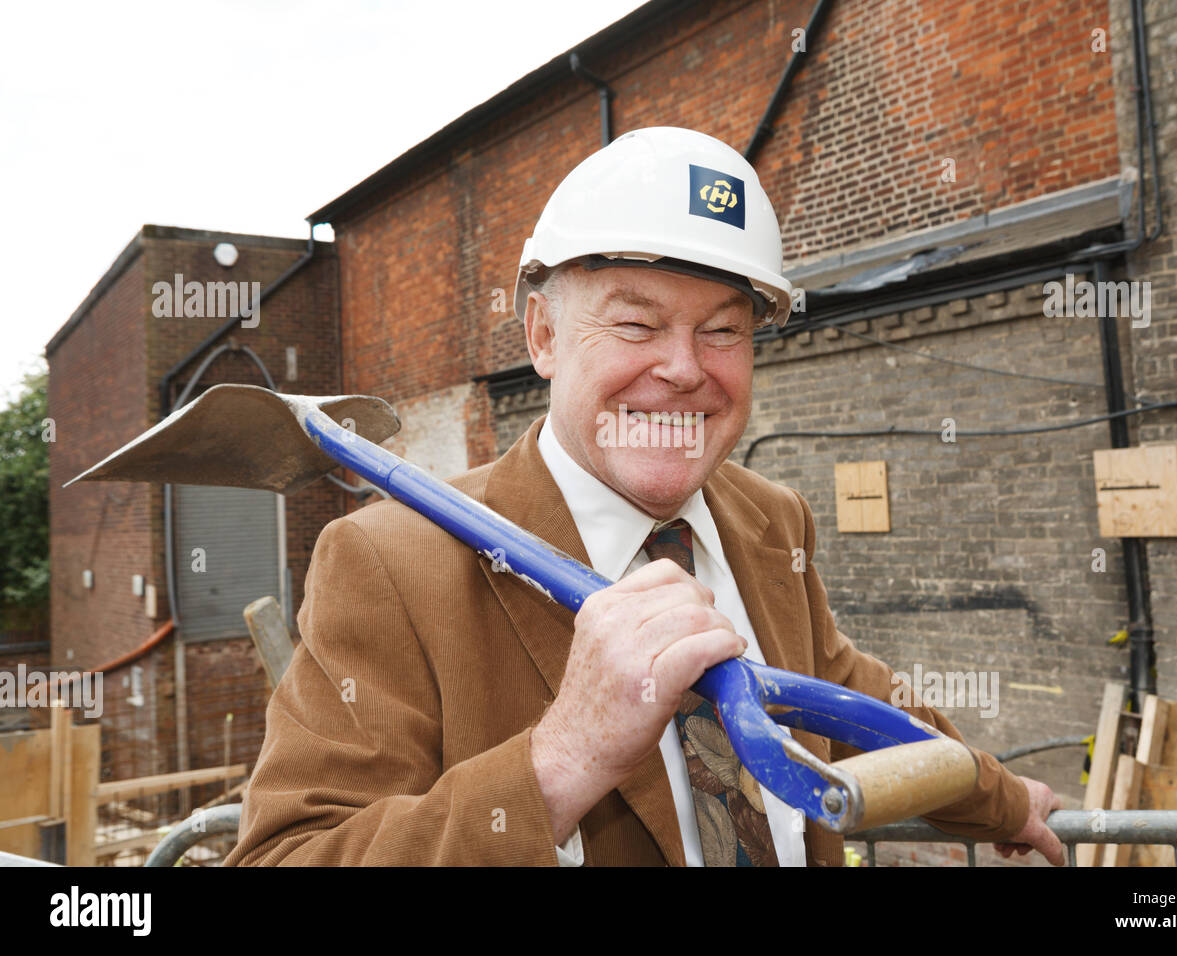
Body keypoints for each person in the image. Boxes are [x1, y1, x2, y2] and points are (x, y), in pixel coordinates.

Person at [226, 127, 1063, 867]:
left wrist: (1002, 799)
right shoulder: (389, 562)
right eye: (636, 324)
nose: (686, 368)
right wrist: (563, 758)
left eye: (723, 329)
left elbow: (851, 698)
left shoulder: (769, 520)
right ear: (544, 337)